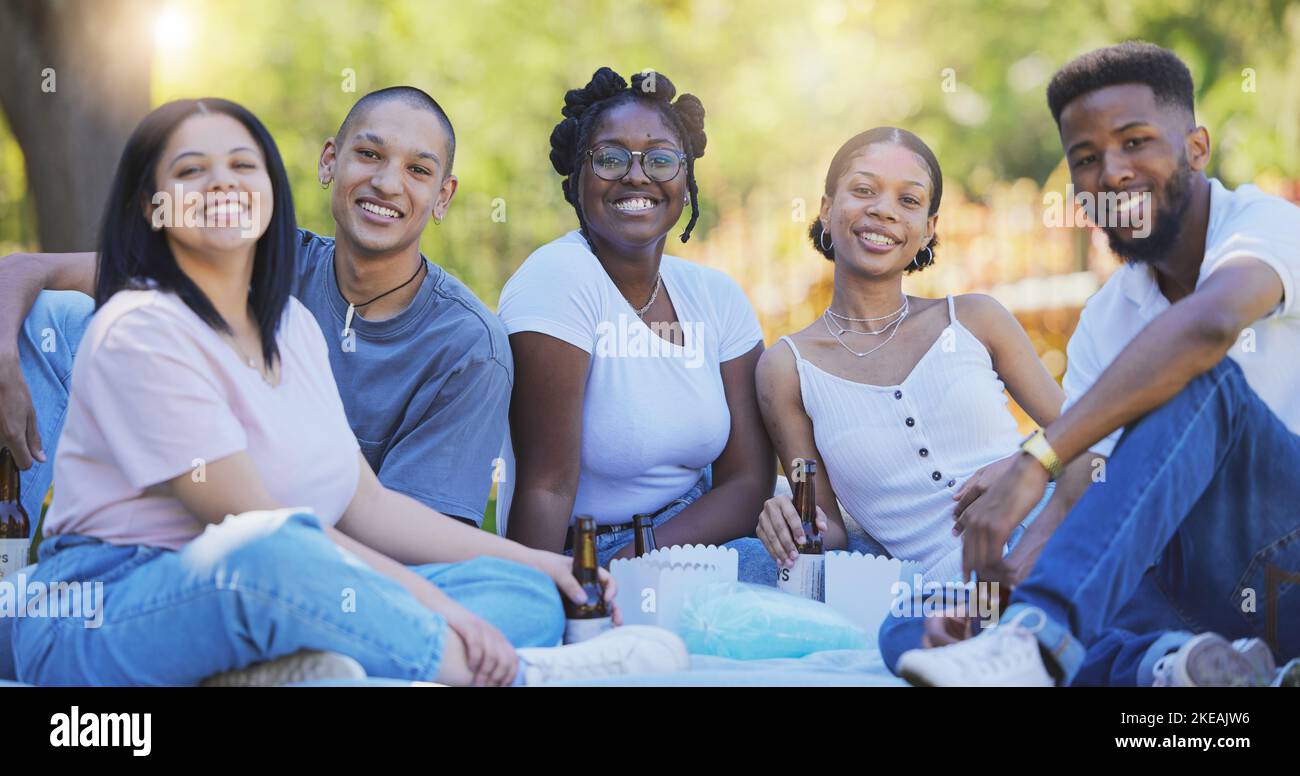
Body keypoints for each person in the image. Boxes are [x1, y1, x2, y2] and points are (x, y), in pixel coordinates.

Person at [10, 98, 687, 687]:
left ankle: (292, 665)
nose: (223, 184)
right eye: (192, 171)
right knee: (271, 556)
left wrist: (548, 564)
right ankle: (519, 673)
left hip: (292, 582)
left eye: (243, 166)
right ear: (154, 203)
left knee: (523, 595)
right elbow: (256, 525)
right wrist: (437, 606)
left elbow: (366, 503)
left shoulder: (290, 324)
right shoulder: (142, 328)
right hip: (118, 597)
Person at [898, 42, 1300, 687]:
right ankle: (1188, 669)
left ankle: (1052, 643)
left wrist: (1034, 461)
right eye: (1086, 159)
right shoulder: (1109, 314)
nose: (1111, 173)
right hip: (1202, 585)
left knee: (1199, 382)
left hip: (1287, 561)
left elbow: (1209, 326)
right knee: (920, 621)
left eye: (1136, 142)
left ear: (1197, 148)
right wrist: (1010, 590)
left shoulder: (1267, 226)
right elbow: (1087, 477)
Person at [0, 86, 510, 529]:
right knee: (52, 318)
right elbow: (26, 270)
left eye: (418, 170)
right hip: (217, 531)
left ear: (443, 197)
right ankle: (9, 554)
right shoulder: (254, 263)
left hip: (335, 565)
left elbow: (405, 537)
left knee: (520, 597)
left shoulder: (469, 347)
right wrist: (3, 359)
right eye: (370, 155)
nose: (387, 183)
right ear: (329, 161)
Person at [730, 129, 1065, 665]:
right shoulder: (786, 368)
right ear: (826, 208)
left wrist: (1030, 465)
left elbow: (1091, 433)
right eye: (864, 190)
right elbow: (829, 529)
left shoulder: (976, 319)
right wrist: (788, 518)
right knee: (901, 638)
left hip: (1051, 528)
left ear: (928, 228)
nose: (884, 211)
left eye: (908, 200)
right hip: (943, 591)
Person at [498, 67, 774, 566]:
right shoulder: (558, 280)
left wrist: (650, 561)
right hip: (587, 551)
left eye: (662, 159)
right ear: (576, 179)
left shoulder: (714, 295)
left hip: (702, 539)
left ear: (686, 179)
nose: (637, 174)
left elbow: (749, 481)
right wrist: (562, 593)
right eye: (610, 157)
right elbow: (546, 489)